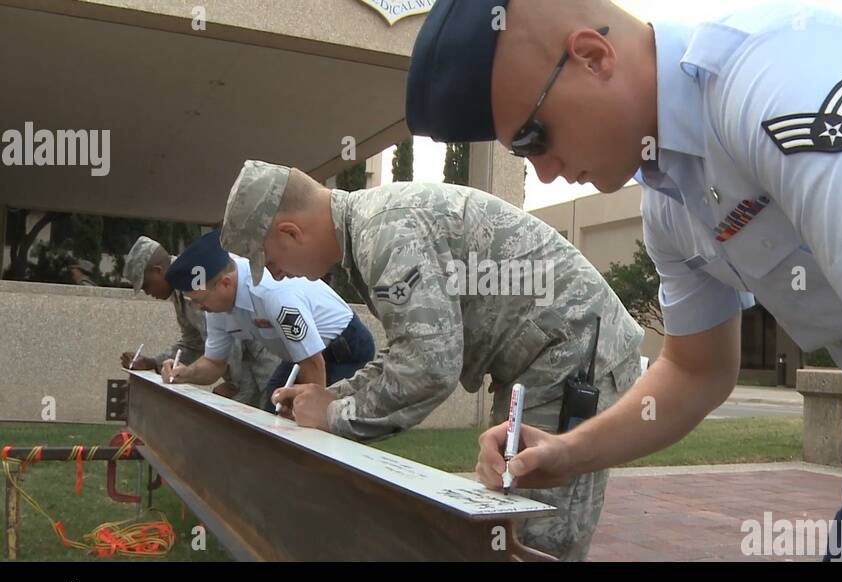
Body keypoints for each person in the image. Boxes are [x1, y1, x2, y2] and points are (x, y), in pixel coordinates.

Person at [406, 0, 842, 561]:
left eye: (536, 136)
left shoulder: (772, 73)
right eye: (521, 154)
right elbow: (696, 369)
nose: (542, 168)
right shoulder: (670, 201)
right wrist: (569, 451)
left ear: (593, 55)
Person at [219, 160, 645, 561]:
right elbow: (411, 349)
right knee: (511, 522)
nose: (276, 275)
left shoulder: (384, 234)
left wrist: (333, 414)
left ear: (291, 232)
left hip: (570, 358)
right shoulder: (372, 226)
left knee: (534, 532)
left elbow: (429, 367)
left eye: (269, 261)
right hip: (551, 357)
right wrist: (333, 395)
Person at [162, 229, 374, 410]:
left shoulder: (271, 293)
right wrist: (185, 373)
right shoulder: (215, 305)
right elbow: (214, 363)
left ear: (226, 283)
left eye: (199, 301)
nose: (198, 308)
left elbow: (313, 362)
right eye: (192, 302)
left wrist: (314, 416)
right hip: (303, 354)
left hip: (344, 348)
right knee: (275, 406)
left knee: (320, 420)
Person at [119, 235, 280, 407]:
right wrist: (154, 362)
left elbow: (231, 334)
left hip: (263, 359)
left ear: (158, 271)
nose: (148, 293)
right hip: (243, 367)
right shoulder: (180, 291)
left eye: (146, 285)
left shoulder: (195, 279)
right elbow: (193, 342)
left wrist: (233, 384)